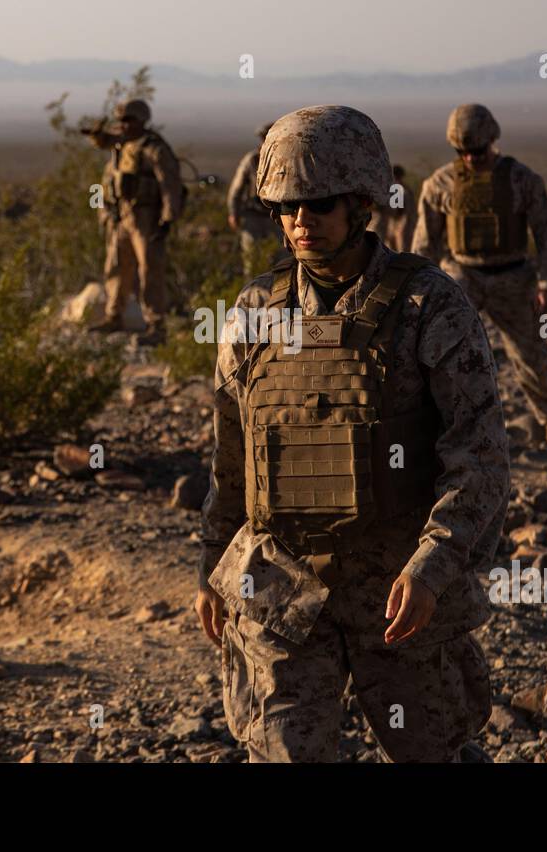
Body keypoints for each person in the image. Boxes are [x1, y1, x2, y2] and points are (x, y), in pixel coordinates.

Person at [195, 105, 509, 763]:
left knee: (430, 751)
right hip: (280, 588)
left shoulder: (431, 306)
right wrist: (212, 566)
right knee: (282, 752)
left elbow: (477, 455)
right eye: (286, 208)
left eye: (319, 205)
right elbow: (233, 455)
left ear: (362, 204)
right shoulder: (255, 312)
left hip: (397, 593)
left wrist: (432, 567)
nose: (300, 223)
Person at [413, 103, 547, 451]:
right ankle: (440, 424)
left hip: (513, 276)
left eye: (478, 151)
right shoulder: (440, 184)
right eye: (462, 152)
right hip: (462, 273)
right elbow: (425, 243)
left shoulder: (521, 179)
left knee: (533, 352)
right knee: (440, 349)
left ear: (493, 141)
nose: (471, 159)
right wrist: (418, 293)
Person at [88, 99, 183, 345]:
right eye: (121, 121)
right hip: (122, 216)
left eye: (128, 120)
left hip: (146, 217)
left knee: (149, 270)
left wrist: (167, 218)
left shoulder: (154, 148)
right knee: (118, 266)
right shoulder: (122, 144)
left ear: (141, 121)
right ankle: (114, 316)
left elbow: (169, 184)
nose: (123, 125)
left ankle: (156, 326)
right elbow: (103, 141)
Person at [226, 123, 284, 275]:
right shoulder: (251, 160)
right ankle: (251, 296)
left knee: (282, 261)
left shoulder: (285, 159)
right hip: (253, 216)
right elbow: (236, 190)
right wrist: (233, 213)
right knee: (252, 262)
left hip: (278, 217)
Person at [369, 163, 415, 252]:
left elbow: (397, 211)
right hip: (399, 225)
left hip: (399, 226)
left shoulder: (398, 188)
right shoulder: (403, 188)